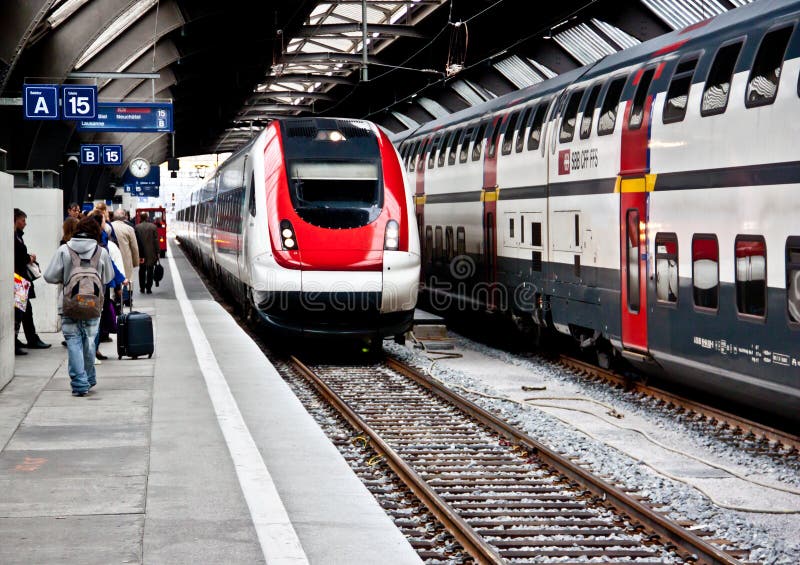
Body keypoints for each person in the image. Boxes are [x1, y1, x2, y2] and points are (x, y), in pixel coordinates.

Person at [43, 217, 114, 396]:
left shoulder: (64, 250)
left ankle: (80, 383)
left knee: (73, 342)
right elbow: (107, 279)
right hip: (92, 305)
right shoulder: (101, 252)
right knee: (89, 342)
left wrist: (66, 278)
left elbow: (49, 276)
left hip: (69, 305)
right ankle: (89, 378)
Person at [87, 211, 126, 360]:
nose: (106, 223)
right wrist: (118, 283)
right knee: (95, 320)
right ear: (99, 224)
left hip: (81, 287)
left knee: (91, 321)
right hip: (98, 286)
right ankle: (93, 352)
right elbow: (108, 265)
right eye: (104, 220)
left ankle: (93, 351)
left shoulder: (78, 243)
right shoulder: (101, 242)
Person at [14, 208, 51, 354]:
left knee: (24, 310)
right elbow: (19, 256)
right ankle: (26, 339)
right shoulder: (14, 237)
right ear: (15, 220)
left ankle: (28, 338)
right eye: (23, 220)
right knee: (21, 311)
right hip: (17, 280)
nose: (25, 223)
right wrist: (29, 258)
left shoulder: (17, 236)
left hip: (19, 279)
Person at [111, 209, 140, 286]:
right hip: (126, 259)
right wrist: (135, 262)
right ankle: (126, 295)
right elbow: (134, 247)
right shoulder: (129, 229)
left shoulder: (108, 227)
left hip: (111, 258)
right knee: (127, 280)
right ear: (125, 217)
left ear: (113, 217)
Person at [135, 212, 159, 294]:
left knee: (142, 270)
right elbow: (156, 241)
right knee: (150, 270)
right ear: (147, 218)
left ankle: (142, 288)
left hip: (141, 253)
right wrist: (158, 252)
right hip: (151, 253)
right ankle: (149, 288)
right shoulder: (153, 227)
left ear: (140, 218)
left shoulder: (137, 227)